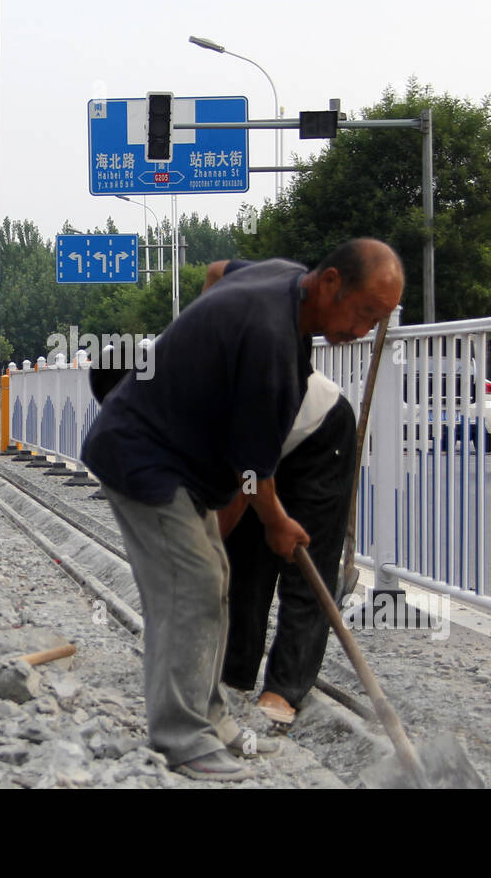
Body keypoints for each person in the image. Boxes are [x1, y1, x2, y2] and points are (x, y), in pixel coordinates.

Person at [81, 238, 403, 782]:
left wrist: (203, 343)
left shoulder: (282, 275)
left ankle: (210, 719)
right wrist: (277, 522)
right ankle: (182, 738)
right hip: (145, 462)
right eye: (364, 312)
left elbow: (216, 270)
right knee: (194, 586)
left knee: (214, 577)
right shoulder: (269, 344)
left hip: (175, 458)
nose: (364, 330)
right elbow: (253, 472)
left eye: (378, 320)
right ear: (328, 284)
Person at [203, 259, 359, 727]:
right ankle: (233, 673)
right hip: (260, 442)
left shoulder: (216, 384)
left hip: (319, 432)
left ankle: (284, 689)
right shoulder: (188, 391)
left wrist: (208, 546)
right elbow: (216, 271)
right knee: (242, 558)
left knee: (304, 558)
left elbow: (235, 491)